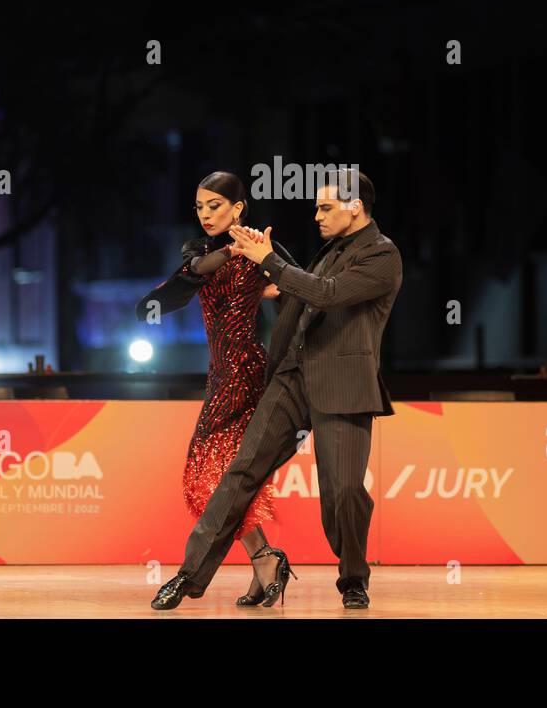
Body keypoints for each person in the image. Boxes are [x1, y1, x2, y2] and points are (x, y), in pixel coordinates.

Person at [151, 168, 401, 610]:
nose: (317, 216)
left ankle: (353, 578)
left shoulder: (383, 256)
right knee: (241, 472)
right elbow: (308, 299)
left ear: (355, 206)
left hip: (342, 385)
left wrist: (271, 262)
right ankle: (189, 576)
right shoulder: (329, 251)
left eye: (325, 207)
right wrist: (281, 293)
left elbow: (327, 294)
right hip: (291, 377)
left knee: (344, 491)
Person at [135, 171, 299, 605]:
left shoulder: (265, 248)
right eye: (200, 207)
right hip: (219, 375)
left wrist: (276, 282)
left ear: (239, 208)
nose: (205, 214)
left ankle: (256, 561)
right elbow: (172, 291)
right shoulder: (202, 250)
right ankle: (266, 559)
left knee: (209, 477)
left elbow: (304, 294)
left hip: (249, 373)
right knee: (213, 479)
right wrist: (231, 250)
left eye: (215, 206)